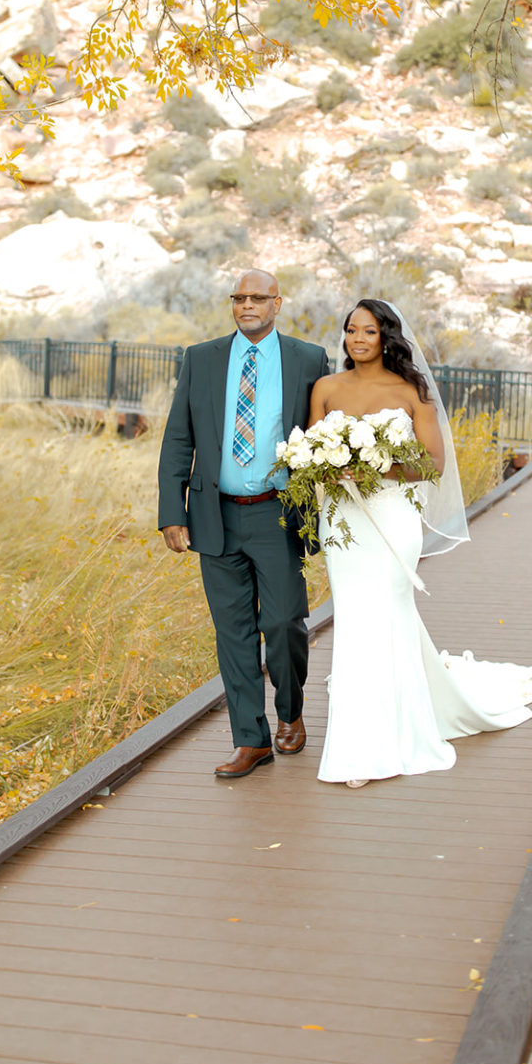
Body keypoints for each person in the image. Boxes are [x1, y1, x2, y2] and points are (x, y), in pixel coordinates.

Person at [308, 298, 532, 788]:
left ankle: (388, 740)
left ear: (386, 337)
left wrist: (377, 466)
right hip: (343, 525)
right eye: (351, 330)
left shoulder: (411, 391)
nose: (357, 340)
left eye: (368, 331)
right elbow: (313, 452)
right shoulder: (325, 388)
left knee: (387, 613)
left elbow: (432, 465)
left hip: (392, 516)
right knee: (355, 621)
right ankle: (361, 740)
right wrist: (330, 468)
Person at [158, 269, 331, 778]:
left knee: (283, 622)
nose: (247, 305)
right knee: (232, 632)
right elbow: (178, 437)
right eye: (239, 298)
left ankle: (291, 712)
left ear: (278, 303)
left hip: (278, 513)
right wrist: (172, 512)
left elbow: (325, 430)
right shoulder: (201, 358)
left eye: (258, 297)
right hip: (215, 514)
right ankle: (250, 740)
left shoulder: (308, 358)